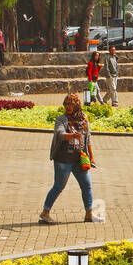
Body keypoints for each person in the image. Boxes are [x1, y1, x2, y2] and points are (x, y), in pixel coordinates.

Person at [40, 92, 104, 224]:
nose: (67, 106)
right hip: (63, 159)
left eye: (70, 104)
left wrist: (91, 157)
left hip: (79, 158)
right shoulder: (61, 119)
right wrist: (72, 135)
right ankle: (45, 213)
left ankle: (89, 214)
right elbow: (59, 133)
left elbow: (88, 139)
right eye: (65, 104)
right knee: (58, 186)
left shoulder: (84, 118)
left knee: (86, 185)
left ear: (77, 105)